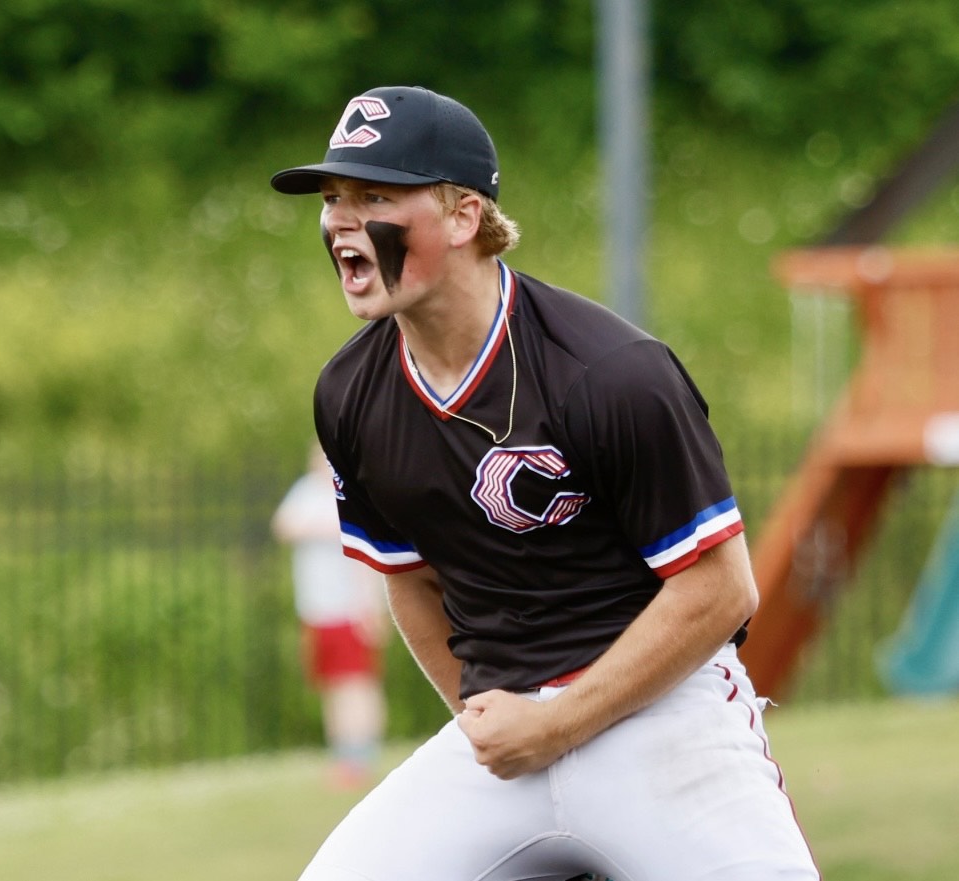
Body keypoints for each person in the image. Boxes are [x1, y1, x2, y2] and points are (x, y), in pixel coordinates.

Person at [269, 85, 820, 880]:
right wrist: (493, 724)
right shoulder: (349, 394)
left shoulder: (611, 372)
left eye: (375, 196)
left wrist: (558, 724)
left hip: (662, 716)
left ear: (464, 215)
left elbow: (721, 589)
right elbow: (411, 581)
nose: (340, 221)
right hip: (509, 730)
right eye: (332, 198)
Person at [272, 441, 388, 789]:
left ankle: (362, 754)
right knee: (333, 685)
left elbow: (369, 557)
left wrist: (372, 609)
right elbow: (284, 526)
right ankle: (342, 754)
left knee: (357, 684)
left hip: (349, 610)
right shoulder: (306, 492)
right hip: (317, 610)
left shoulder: (353, 495)